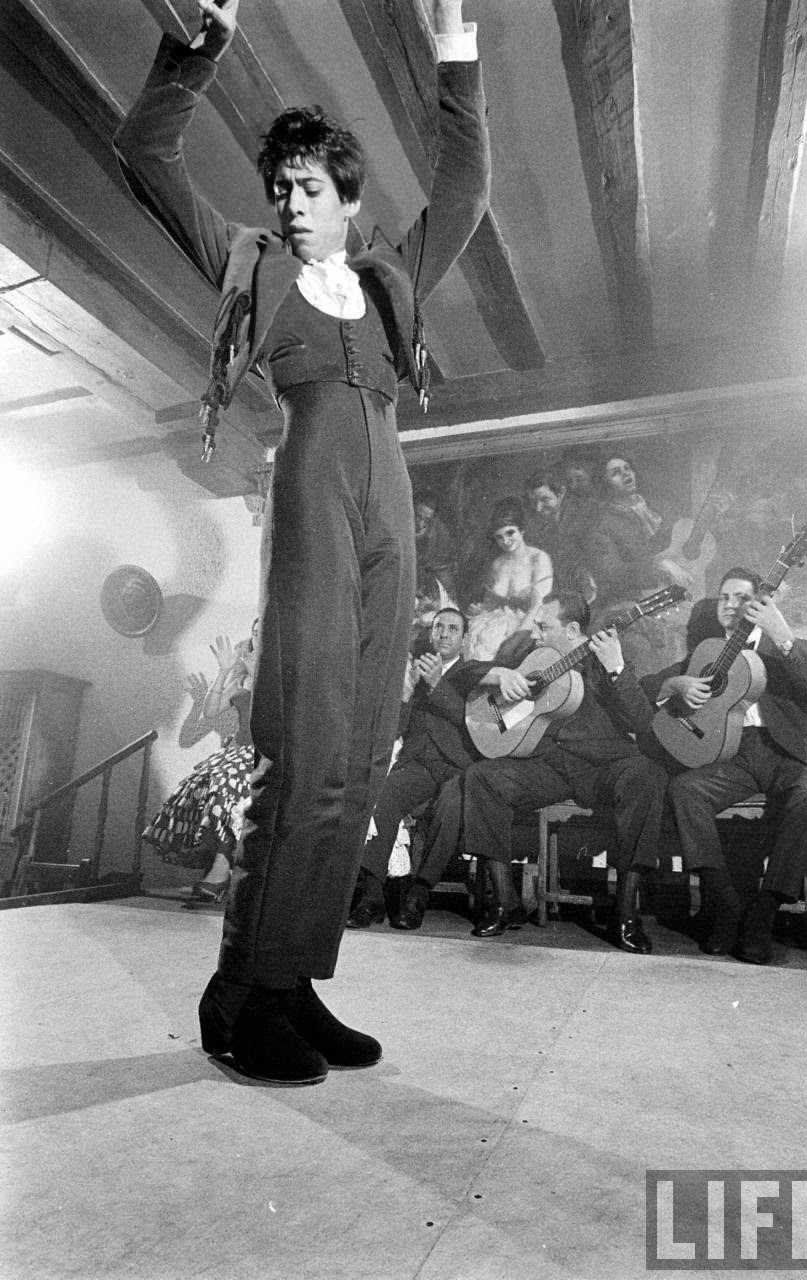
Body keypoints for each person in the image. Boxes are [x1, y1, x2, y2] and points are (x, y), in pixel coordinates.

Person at [115, 0, 489, 1085]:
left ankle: (291, 977)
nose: (288, 205)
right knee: (305, 750)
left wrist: (454, 57)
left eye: (308, 190)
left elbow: (465, 189)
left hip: (391, 508)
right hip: (315, 498)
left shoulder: (390, 278)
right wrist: (199, 50)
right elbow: (144, 153)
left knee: (360, 754)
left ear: (348, 197)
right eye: (279, 190)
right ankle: (242, 991)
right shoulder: (253, 266)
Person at [416, 591, 669, 950]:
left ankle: (625, 913)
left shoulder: (605, 660)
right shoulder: (533, 656)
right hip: (547, 763)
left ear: (572, 630)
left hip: (603, 766)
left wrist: (616, 667)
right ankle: (506, 902)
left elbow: (644, 722)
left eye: (543, 626)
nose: (534, 633)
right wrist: (501, 674)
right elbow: (468, 672)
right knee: (481, 778)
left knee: (648, 774)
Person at [646, 568, 807, 964]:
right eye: (724, 597)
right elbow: (649, 685)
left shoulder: (788, 646)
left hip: (789, 754)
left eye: (741, 598)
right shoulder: (708, 653)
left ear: (759, 604)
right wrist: (675, 685)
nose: (731, 605)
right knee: (686, 790)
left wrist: (782, 636)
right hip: (736, 756)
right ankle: (727, 904)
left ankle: (762, 916)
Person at [346, 607, 484, 930]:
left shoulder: (472, 674)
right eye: (439, 628)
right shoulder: (420, 673)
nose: (444, 634)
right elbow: (398, 731)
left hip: (454, 768)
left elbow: (473, 723)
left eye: (452, 629)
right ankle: (373, 897)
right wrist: (407, 697)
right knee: (384, 792)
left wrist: (437, 685)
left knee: (450, 805)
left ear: (464, 639)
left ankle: (418, 895)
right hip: (417, 766)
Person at [143, 626, 256, 906]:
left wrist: (259, 673)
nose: (259, 633)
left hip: (263, 755)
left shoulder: (282, 671)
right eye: (255, 629)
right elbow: (210, 711)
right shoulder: (242, 677)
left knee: (225, 786)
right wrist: (224, 671)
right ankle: (218, 870)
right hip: (237, 751)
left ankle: (219, 874)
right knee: (200, 783)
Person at [591, 454, 690, 607]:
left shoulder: (661, 506)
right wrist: (657, 566)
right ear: (606, 484)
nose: (625, 473)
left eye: (627, 468)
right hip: (644, 597)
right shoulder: (604, 524)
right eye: (616, 473)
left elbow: (683, 536)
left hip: (685, 580)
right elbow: (612, 571)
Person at [465, 498, 553, 660]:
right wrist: (479, 609)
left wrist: (515, 639)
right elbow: (490, 604)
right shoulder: (497, 563)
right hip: (494, 624)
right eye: (499, 537)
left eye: (510, 533)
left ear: (522, 531)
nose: (505, 541)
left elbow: (537, 607)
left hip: (526, 628)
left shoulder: (538, 559)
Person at [524, 462, 599, 602]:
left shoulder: (586, 515)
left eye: (544, 499)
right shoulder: (545, 531)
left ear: (561, 492)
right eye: (533, 502)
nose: (538, 508)